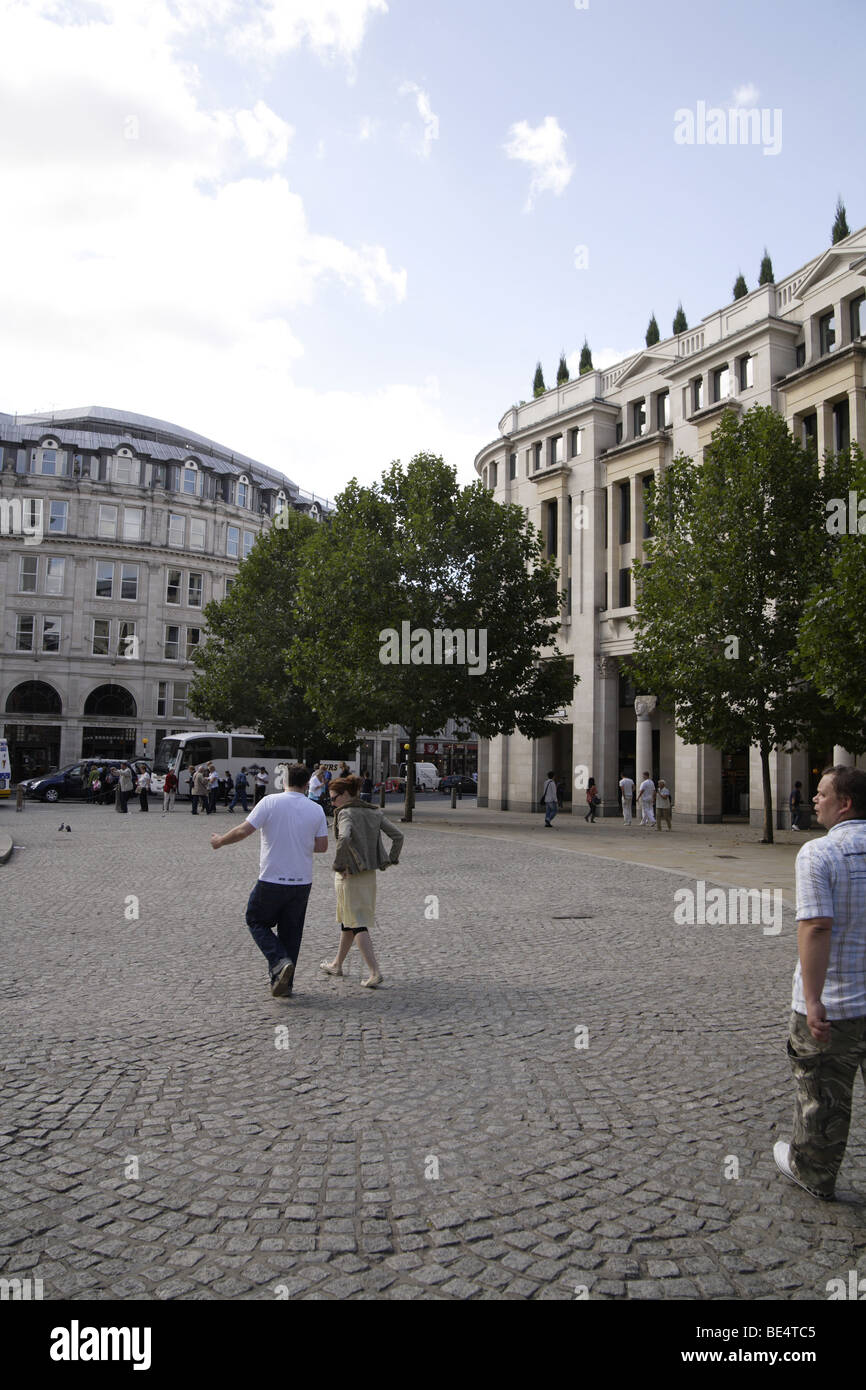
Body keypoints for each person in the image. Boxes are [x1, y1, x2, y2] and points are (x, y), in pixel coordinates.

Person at [774, 766, 866, 1202]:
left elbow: (816, 926)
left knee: (822, 1097)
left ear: (844, 804)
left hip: (837, 1005)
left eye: (822, 793)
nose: (814, 799)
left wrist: (813, 1001)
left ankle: (812, 1171)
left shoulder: (819, 853)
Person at [210, 763, 329, 997]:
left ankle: (279, 961)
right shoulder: (316, 809)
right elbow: (322, 846)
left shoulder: (269, 802)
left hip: (272, 879)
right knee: (291, 933)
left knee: (255, 920)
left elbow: (244, 831)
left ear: (284, 780)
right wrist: (299, 843)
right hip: (301, 881)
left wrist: (220, 840)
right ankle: (284, 983)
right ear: (307, 784)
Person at [319, 774, 403, 988]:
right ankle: (337, 964)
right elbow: (398, 836)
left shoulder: (345, 813)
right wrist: (391, 859)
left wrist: (340, 865)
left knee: (357, 923)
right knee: (349, 920)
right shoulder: (374, 811)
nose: (332, 802)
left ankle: (374, 972)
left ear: (346, 794)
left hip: (349, 875)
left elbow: (344, 837)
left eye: (334, 798)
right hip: (369, 874)